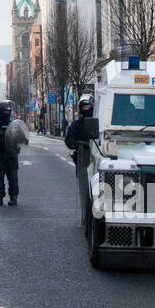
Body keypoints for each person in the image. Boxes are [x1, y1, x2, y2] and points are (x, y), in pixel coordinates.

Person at [65, 95, 95, 228]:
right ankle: (85, 216)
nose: (87, 109)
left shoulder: (100, 122)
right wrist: (80, 144)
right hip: (83, 160)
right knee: (84, 188)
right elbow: (69, 140)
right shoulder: (77, 125)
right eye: (85, 107)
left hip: (97, 160)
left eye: (89, 106)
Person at [0, 101, 22, 206]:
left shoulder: (13, 125)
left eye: (8, 111)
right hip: (0, 155)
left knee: (13, 178)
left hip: (11, 155)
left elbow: (20, 139)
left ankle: (14, 197)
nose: (6, 113)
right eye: (4, 111)